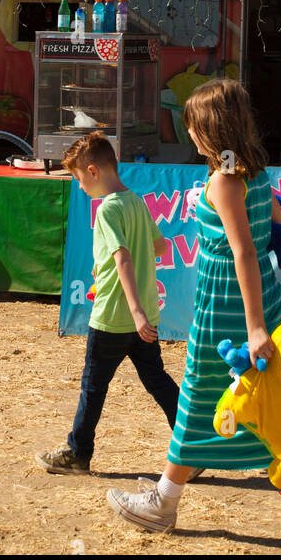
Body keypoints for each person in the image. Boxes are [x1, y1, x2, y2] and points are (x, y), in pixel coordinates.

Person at [106, 78, 281, 552]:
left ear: (210, 128)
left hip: (228, 310)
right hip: (257, 299)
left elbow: (245, 253)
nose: (190, 134)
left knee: (199, 400)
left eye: (193, 126)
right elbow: (270, 228)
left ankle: (164, 502)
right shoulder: (253, 173)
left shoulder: (226, 181)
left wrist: (254, 329)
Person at [36, 132, 180, 475]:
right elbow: (160, 249)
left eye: (78, 177)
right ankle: (192, 447)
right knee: (158, 381)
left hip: (115, 318)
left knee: (93, 388)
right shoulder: (135, 201)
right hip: (142, 318)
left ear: (93, 171)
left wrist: (133, 308)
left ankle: (78, 454)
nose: (80, 185)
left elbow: (122, 257)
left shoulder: (108, 210)